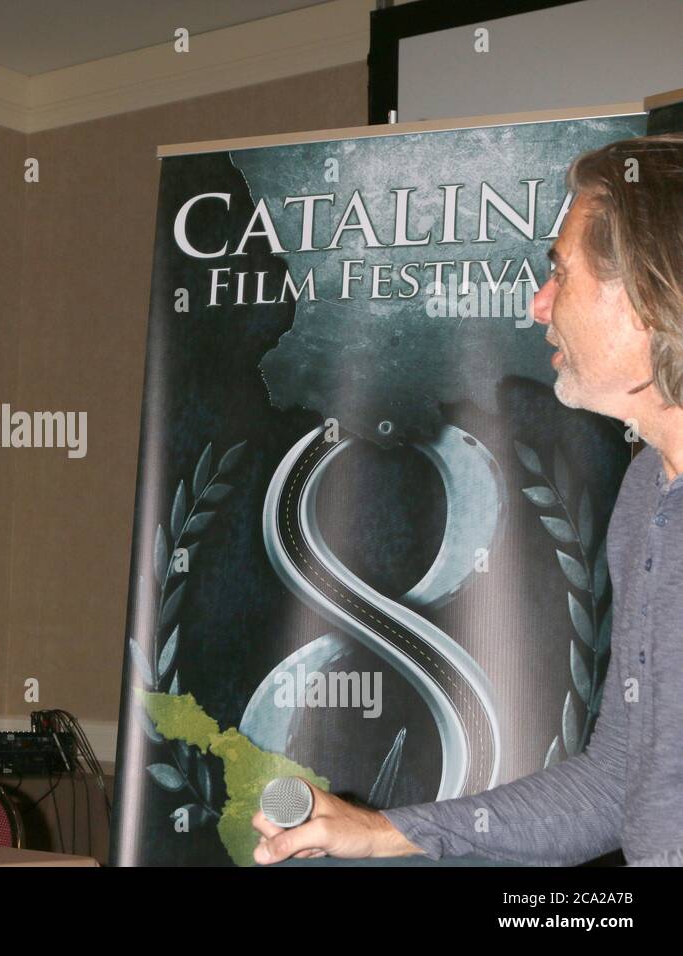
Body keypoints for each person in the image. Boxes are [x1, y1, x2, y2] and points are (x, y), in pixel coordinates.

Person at [253, 133, 683, 867]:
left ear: (646, 293)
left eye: (561, 274)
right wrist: (380, 831)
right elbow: (618, 785)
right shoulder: (647, 490)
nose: (540, 304)